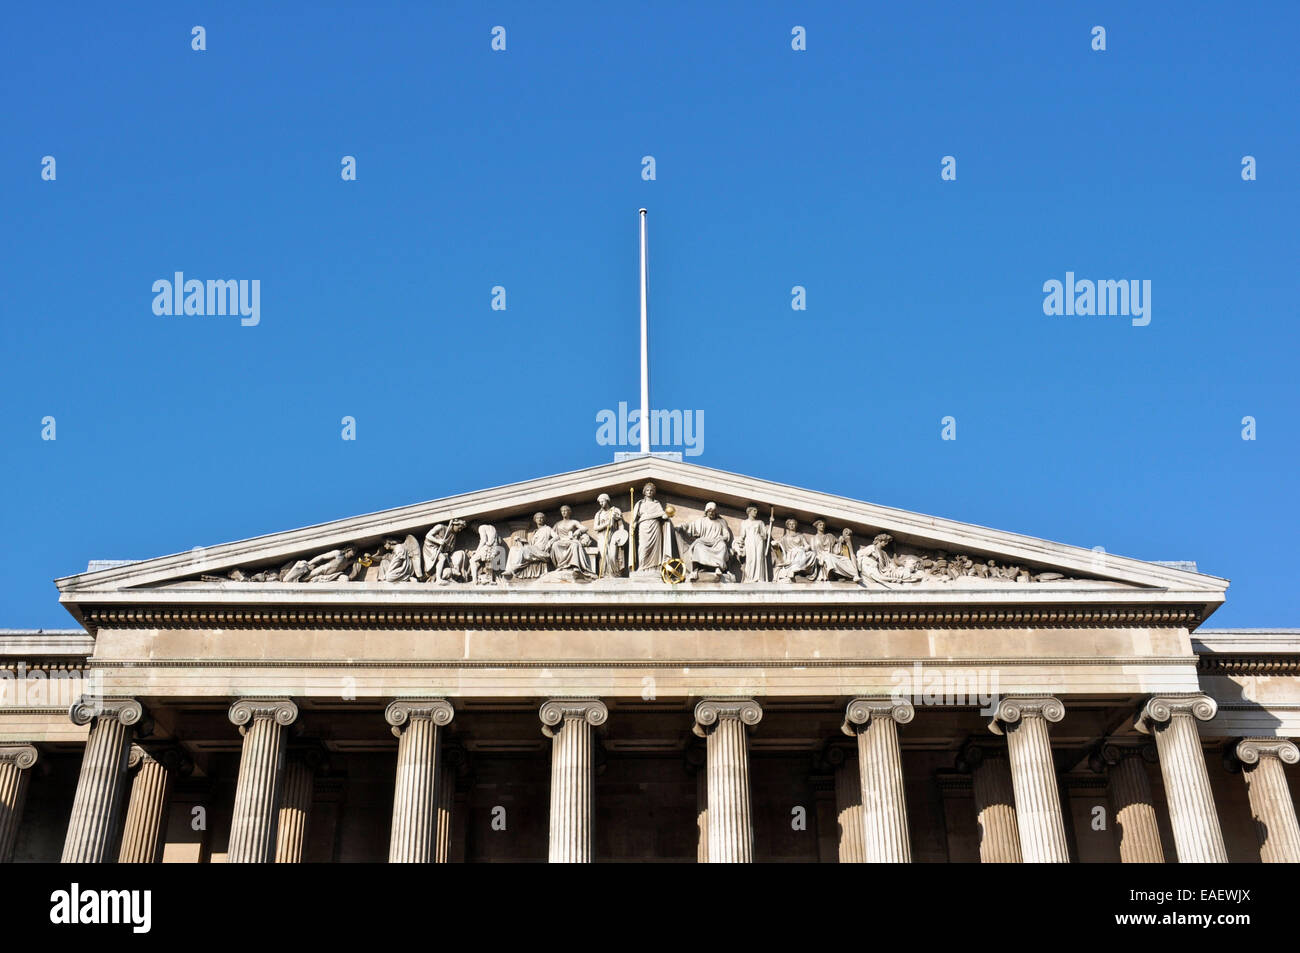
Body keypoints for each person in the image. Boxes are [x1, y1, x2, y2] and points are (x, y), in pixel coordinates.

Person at [679, 502, 733, 580]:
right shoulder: (701, 521)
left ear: (716, 512)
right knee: (698, 546)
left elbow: (726, 535)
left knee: (722, 546)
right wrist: (684, 527)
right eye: (709, 511)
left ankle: (718, 568)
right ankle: (695, 570)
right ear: (706, 512)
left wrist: (723, 538)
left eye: (713, 511)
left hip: (716, 542)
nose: (711, 513)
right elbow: (692, 528)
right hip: (704, 542)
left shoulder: (722, 522)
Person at [734, 504, 769, 583]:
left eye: (756, 511)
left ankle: (759, 578)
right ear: (749, 511)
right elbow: (742, 535)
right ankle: (749, 578)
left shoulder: (760, 522)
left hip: (758, 540)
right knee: (750, 559)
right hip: (749, 541)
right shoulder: (744, 522)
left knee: (759, 558)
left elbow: (764, 535)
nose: (756, 512)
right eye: (754, 511)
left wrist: (767, 532)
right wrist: (739, 543)